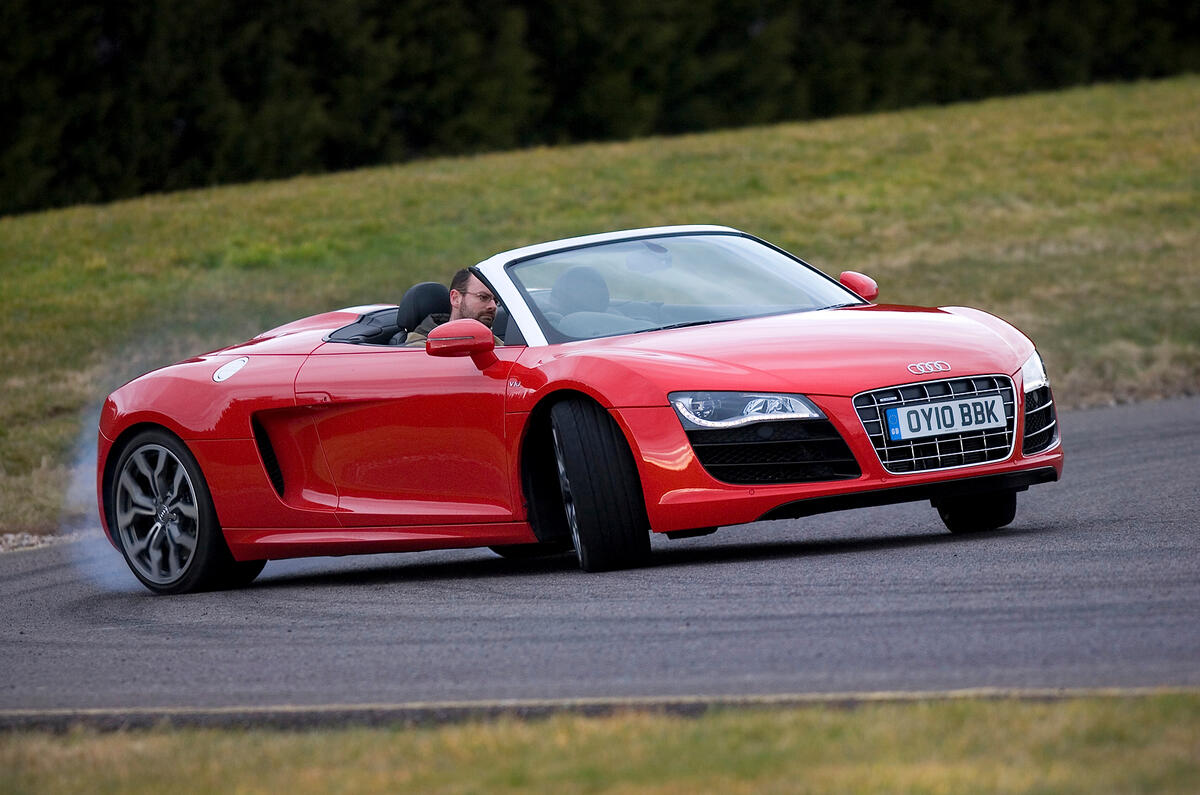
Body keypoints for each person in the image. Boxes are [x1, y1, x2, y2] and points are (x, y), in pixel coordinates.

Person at [404, 268, 502, 346]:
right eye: (483, 297)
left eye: (496, 301)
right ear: (455, 298)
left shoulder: (498, 345)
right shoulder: (420, 350)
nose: (493, 306)